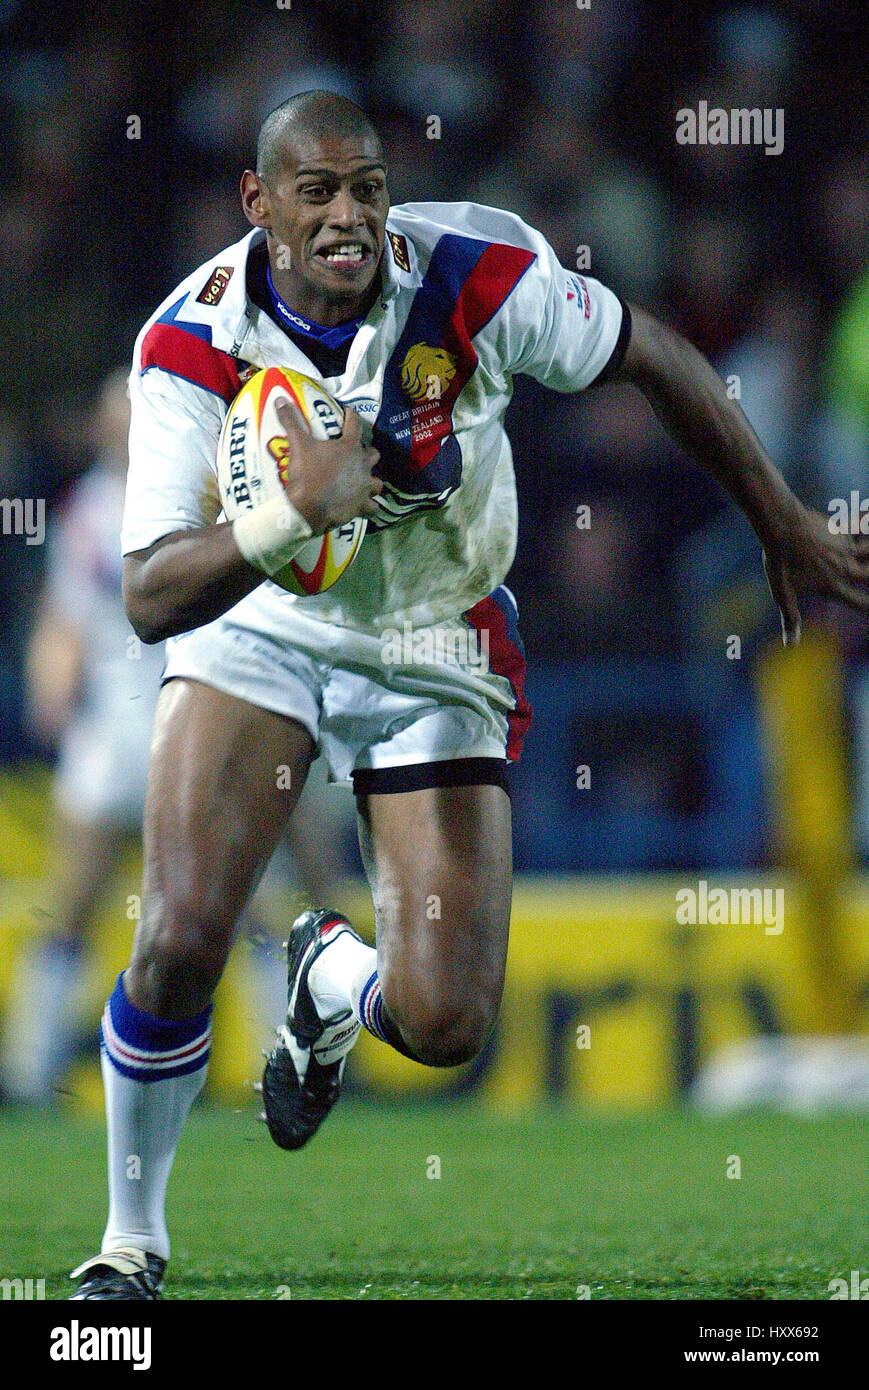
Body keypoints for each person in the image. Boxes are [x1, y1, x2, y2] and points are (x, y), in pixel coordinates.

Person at [70, 90, 869, 1299]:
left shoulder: (479, 272)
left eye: (366, 186)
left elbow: (648, 353)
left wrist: (784, 521)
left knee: (444, 1026)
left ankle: (327, 976)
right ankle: (130, 1244)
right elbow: (145, 595)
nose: (347, 214)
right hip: (267, 626)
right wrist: (291, 514)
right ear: (258, 205)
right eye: (315, 191)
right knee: (176, 934)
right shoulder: (188, 341)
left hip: (437, 638)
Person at [2, 372, 165, 1105]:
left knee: (244, 905)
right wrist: (51, 678)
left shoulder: (198, 492)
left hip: (188, 726)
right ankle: (31, 1072)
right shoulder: (88, 511)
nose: (123, 428)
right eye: (114, 416)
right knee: (72, 905)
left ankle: (276, 1065)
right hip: (111, 735)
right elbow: (65, 614)